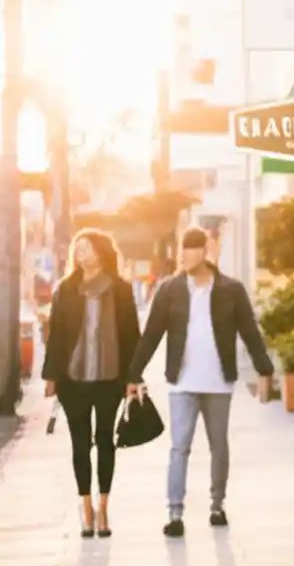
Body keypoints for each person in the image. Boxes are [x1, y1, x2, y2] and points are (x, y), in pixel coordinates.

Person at [126, 226, 274, 538]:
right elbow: (152, 334)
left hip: (219, 381)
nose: (182, 255)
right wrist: (133, 374)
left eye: (189, 249)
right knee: (179, 447)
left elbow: (250, 332)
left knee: (218, 445)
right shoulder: (169, 289)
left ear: (203, 251)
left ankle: (217, 505)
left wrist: (264, 371)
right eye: (181, 249)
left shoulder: (231, 290)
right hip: (182, 382)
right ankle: (174, 512)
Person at [41, 229, 141, 539]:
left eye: (86, 247)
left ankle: (103, 505)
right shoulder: (66, 289)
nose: (80, 252)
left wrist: (133, 378)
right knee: (80, 444)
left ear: (100, 251)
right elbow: (56, 335)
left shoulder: (121, 290)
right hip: (74, 380)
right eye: (77, 248)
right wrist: (51, 377)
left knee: (106, 441)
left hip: (110, 378)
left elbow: (131, 336)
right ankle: (85, 506)